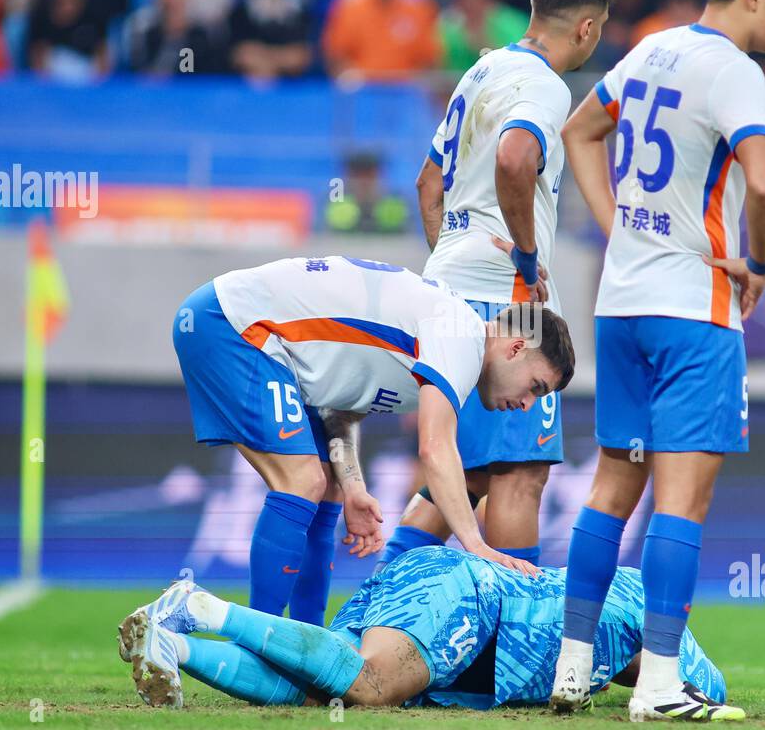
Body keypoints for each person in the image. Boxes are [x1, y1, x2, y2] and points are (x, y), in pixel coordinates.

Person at [549, 0, 765, 722]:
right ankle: (659, 685)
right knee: (682, 501)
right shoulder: (735, 71)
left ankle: (570, 668)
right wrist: (759, 265)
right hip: (694, 311)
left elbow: (578, 131)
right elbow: (764, 185)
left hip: (622, 306)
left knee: (611, 491)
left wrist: (616, 227)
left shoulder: (650, 50)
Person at [171, 256, 576, 625]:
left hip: (251, 331)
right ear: (516, 348)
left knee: (328, 489)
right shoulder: (463, 338)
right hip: (233, 324)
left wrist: (353, 486)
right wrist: (475, 543)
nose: (527, 405)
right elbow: (435, 448)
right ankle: (259, 644)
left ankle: (305, 644)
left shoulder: (450, 334)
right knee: (302, 481)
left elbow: (339, 408)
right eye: (536, 387)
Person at [375, 0, 615, 575]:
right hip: (507, 300)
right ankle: (512, 627)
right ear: (586, 29)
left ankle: (378, 600)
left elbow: (428, 185)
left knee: (473, 472)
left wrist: (449, 272)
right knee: (519, 473)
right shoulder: (546, 85)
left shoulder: (480, 71)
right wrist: (525, 256)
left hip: (451, 287)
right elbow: (514, 159)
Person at [117, 545, 741, 718]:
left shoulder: (617, 604)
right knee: (369, 683)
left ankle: (174, 646)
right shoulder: (645, 615)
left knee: (323, 691)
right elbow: (706, 688)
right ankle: (198, 606)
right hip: (467, 594)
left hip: (436, 578)